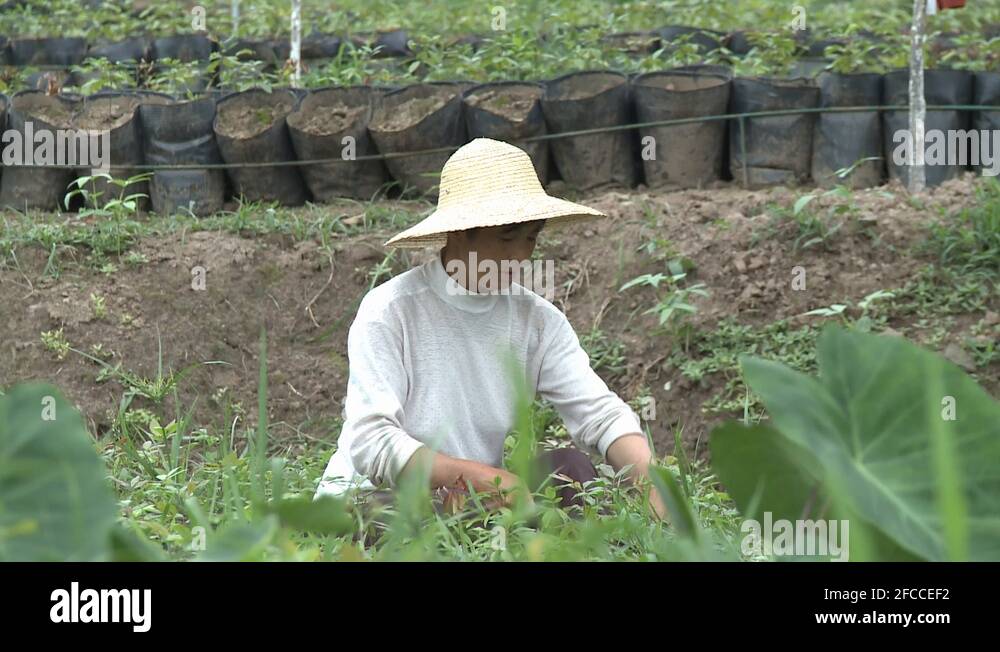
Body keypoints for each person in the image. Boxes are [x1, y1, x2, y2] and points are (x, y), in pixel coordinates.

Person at [315, 138, 667, 519]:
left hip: (478, 501)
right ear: (460, 231)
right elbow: (371, 441)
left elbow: (600, 414)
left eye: (530, 238)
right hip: (381, 496)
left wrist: (656, 491)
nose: (520, 256)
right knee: (394, 515)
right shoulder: (391, 311)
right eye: (505, 238)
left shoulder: (537, 321)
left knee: (570, 470)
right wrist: (482, 478)